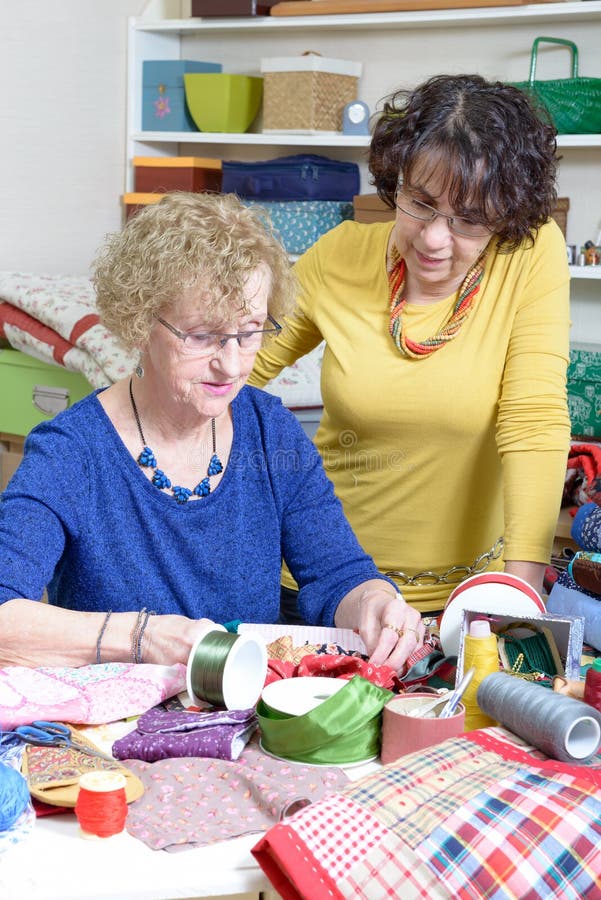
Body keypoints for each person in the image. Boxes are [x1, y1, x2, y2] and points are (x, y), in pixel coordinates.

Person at [0, 192, 425, 673]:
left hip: (244, 725)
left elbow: (337, 574)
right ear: (140, 323)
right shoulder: (71, 453)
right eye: (202, 336)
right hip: (111, 735)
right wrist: (144, 637)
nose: (231, 364)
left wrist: (374, 602)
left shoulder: (270, 433)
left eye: (249, 332)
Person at [249, 73, 571, 618]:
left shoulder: (530, 254)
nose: (434, 238)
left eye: (469, 220)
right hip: (324, 589)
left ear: (507, 216)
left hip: (470, 601)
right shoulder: (339, 257)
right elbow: (235, 366)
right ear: (395, 179)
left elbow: (533, 419)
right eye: (419, 203)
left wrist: (517, 598)